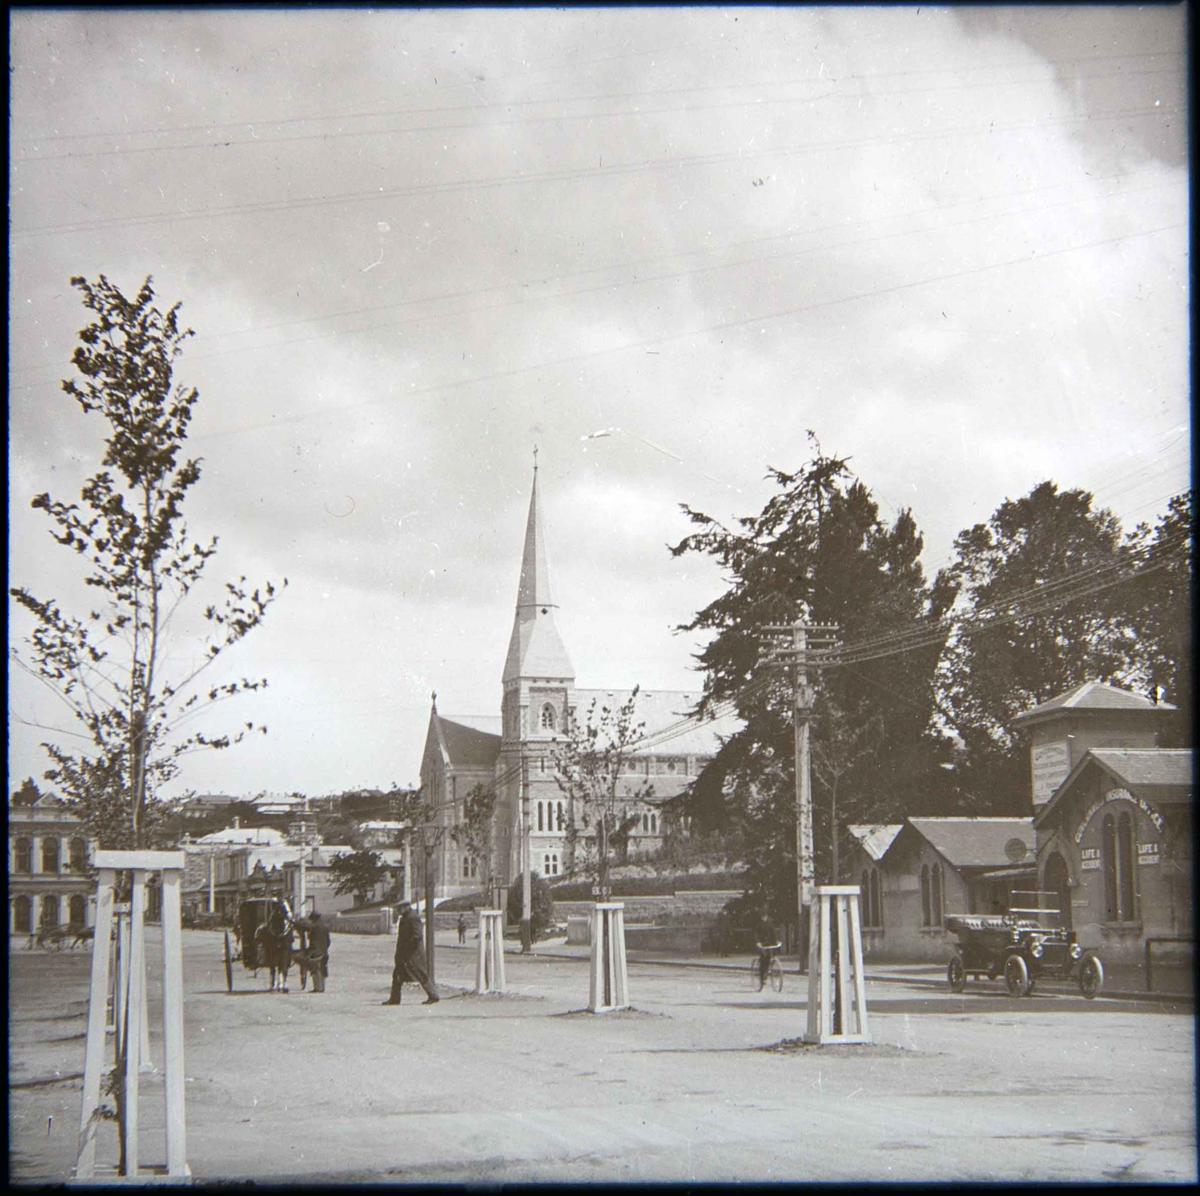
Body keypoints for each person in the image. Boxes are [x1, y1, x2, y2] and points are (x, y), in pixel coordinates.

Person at [383, 900, 440, 1005]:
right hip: (404, 954)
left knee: (421, 974)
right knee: (397, 976)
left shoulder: (413, 918)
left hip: (413, 954)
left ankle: (433, 996)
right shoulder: (405, 918)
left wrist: (407, 947)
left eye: (399, 908)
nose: (398, 911)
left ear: (406, 907)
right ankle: (394, 999)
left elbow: (417, 935)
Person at [298, 910, 331, 993]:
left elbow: (304, 927)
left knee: (315, 969)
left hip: (315, 952)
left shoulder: (313, 926)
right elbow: (328, 942)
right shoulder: (325, 926)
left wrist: (298, 922)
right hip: (324, 952)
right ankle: (322, 987)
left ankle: (317, 988)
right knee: (323, 970)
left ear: (314, 918)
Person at [755, 913, 781, 988]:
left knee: (771, 955)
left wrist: (777, 941)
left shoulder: (770, 922)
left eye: (765, 916)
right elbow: (756, 933)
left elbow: (774, 932)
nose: (764, 918)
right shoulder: (758, 924)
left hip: (770, 943)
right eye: (763, 916)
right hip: (761, 944)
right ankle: (762, 977)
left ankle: (770, 967)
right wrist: (758, 942)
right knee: (764, 959)